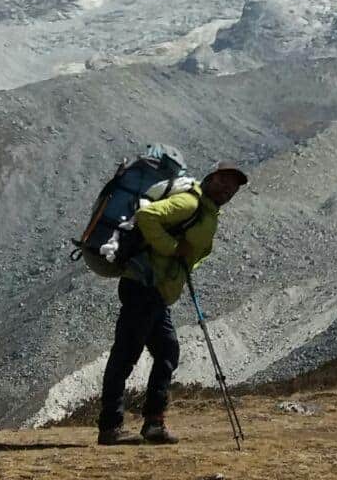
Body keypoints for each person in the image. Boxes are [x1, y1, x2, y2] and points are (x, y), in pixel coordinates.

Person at [97, 165, 248, 445]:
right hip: (143, 285)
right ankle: (111, 427)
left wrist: (182, 261)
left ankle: (154, 423)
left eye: (233, 188)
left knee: (167, 352)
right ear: (211, 178)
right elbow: (147, 216)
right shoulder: (190, 203)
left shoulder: (207, 212)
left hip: (158, 292)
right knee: (126, 355)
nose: (228, 190)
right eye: (224, 182)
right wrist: (174, 248)